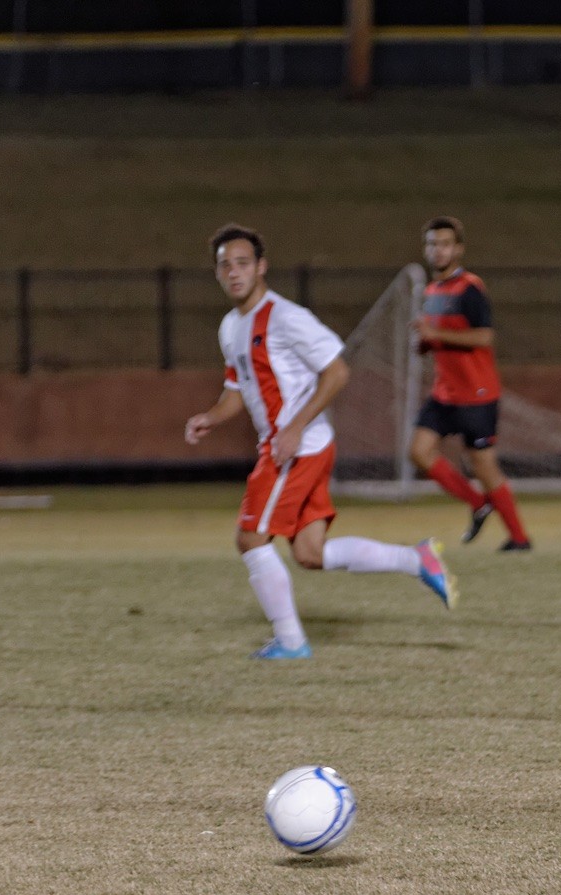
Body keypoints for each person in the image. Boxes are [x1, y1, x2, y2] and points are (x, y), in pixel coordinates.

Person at [185, 224, 457, 659]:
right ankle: (417, 559)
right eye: (224, 265)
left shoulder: (286, 317)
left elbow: (337, 372)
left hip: (296, 447)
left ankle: (291, 641)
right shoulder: (231, 327)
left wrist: (293, 427)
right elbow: (238, 387)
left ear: (261, 267)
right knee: (310, 553)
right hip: (300, 444)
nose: (233, 272)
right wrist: (211, 418)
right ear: (217, 273)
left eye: (241, 263)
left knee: (250, 539)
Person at [409, 217, 530, 550]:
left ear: (458, 249)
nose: (438, 250)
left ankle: (520, 539)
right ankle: (478, 504)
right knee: (419, 452)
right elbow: (439, 337)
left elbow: (485, 336)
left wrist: (437, 334)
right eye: (432, 244)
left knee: (484, 467)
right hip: (444, 392)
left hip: (476, 394)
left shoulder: (470, 288)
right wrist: (426, 342)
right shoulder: (431, 291)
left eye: (445, 244)